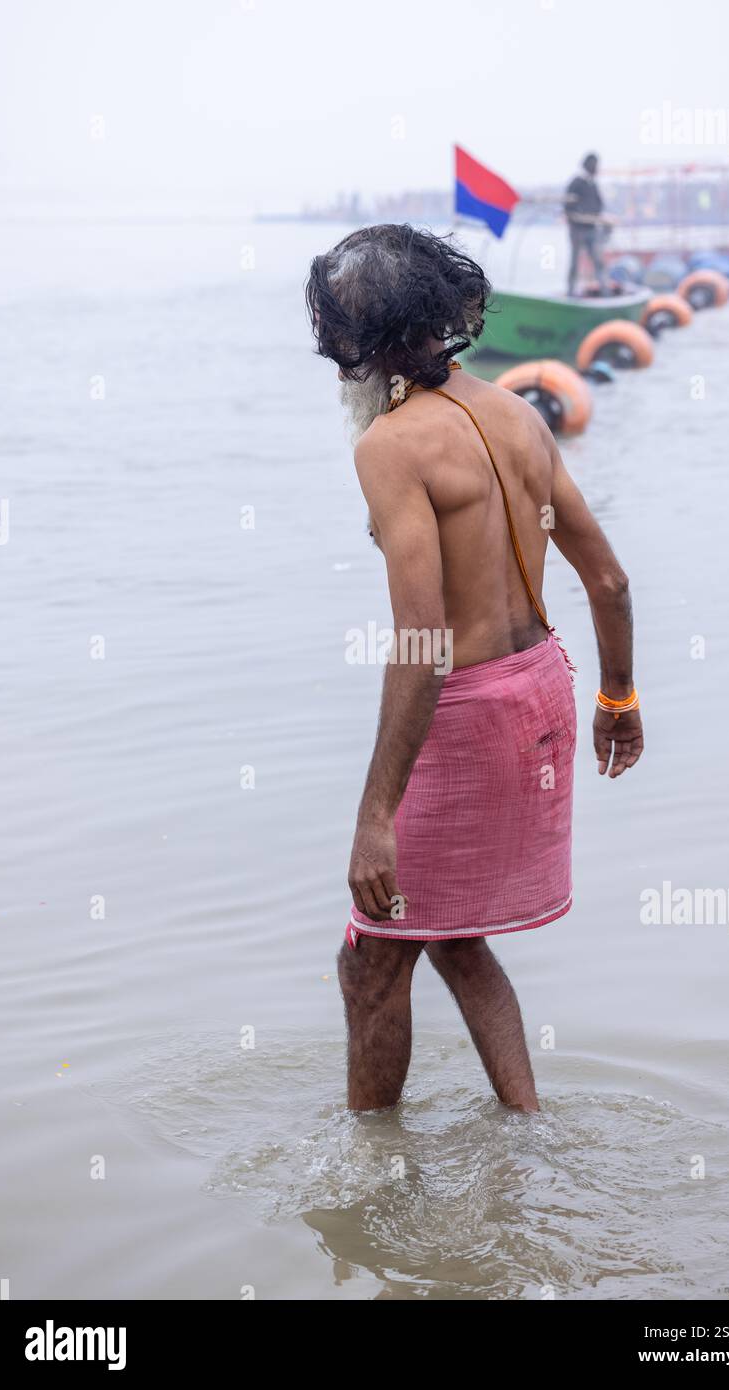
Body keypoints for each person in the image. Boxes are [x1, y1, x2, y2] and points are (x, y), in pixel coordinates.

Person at [305, 225, 643, 1113]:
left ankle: (371, 1187)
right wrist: (619, 697)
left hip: (463, 713)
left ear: (355, 348)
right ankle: (528, 1132)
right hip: (541, 689)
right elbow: (606, 579)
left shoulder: (391, 446)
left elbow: (422, 645)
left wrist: (375, 816)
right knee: (451, 936)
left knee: (371, 955)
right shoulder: (518, 413)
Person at [563, 152, 611, 296]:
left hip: (591, 229)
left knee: (598, 261)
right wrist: (577, 217)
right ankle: (571, 293)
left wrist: (598, 218)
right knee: (575, 262)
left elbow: (599, 204)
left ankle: (605, 292)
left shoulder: (592, 184)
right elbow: (568, 205)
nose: (597, 168)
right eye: (595, 165)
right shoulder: (576, 183)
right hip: (577, 230)